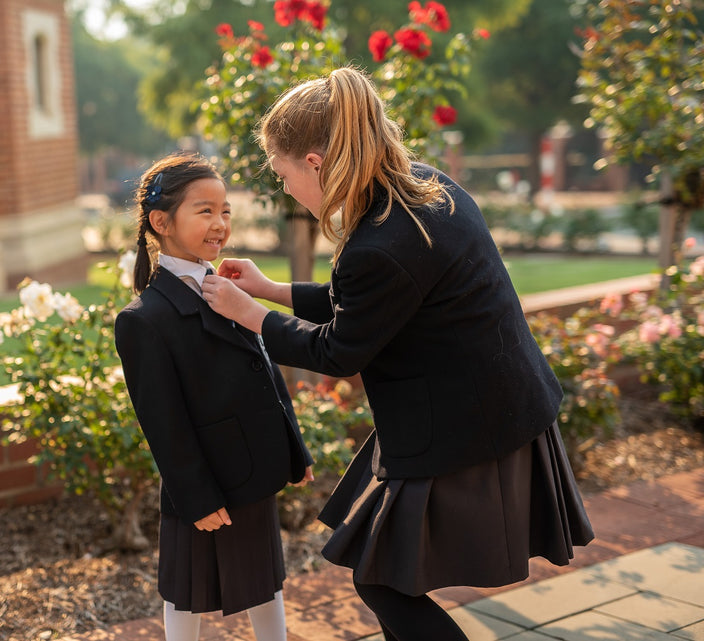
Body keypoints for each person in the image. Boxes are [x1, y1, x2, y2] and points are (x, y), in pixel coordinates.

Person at [201, 67, 594, 641]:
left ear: (314, 162)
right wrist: (272, 289)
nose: (283, 188)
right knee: (386, 577)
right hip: (496, 404)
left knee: (382, 581)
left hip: (467, 428)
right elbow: (375, 303)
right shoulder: (423, 187)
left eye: (283, 174)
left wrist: (251, 315)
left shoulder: (380, 243)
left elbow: (340, 349)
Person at [114, 152, 314, 641]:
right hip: (204, 482)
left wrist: (294, 447)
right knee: (187, 589)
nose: (220, 223)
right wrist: (196, 495)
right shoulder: (144, 319)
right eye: (204, 211)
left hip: (253, 468)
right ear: (161, 222)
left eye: (225, 210)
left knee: (266, 581)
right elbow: (162, 421)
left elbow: (263, 370)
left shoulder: (224, 287)